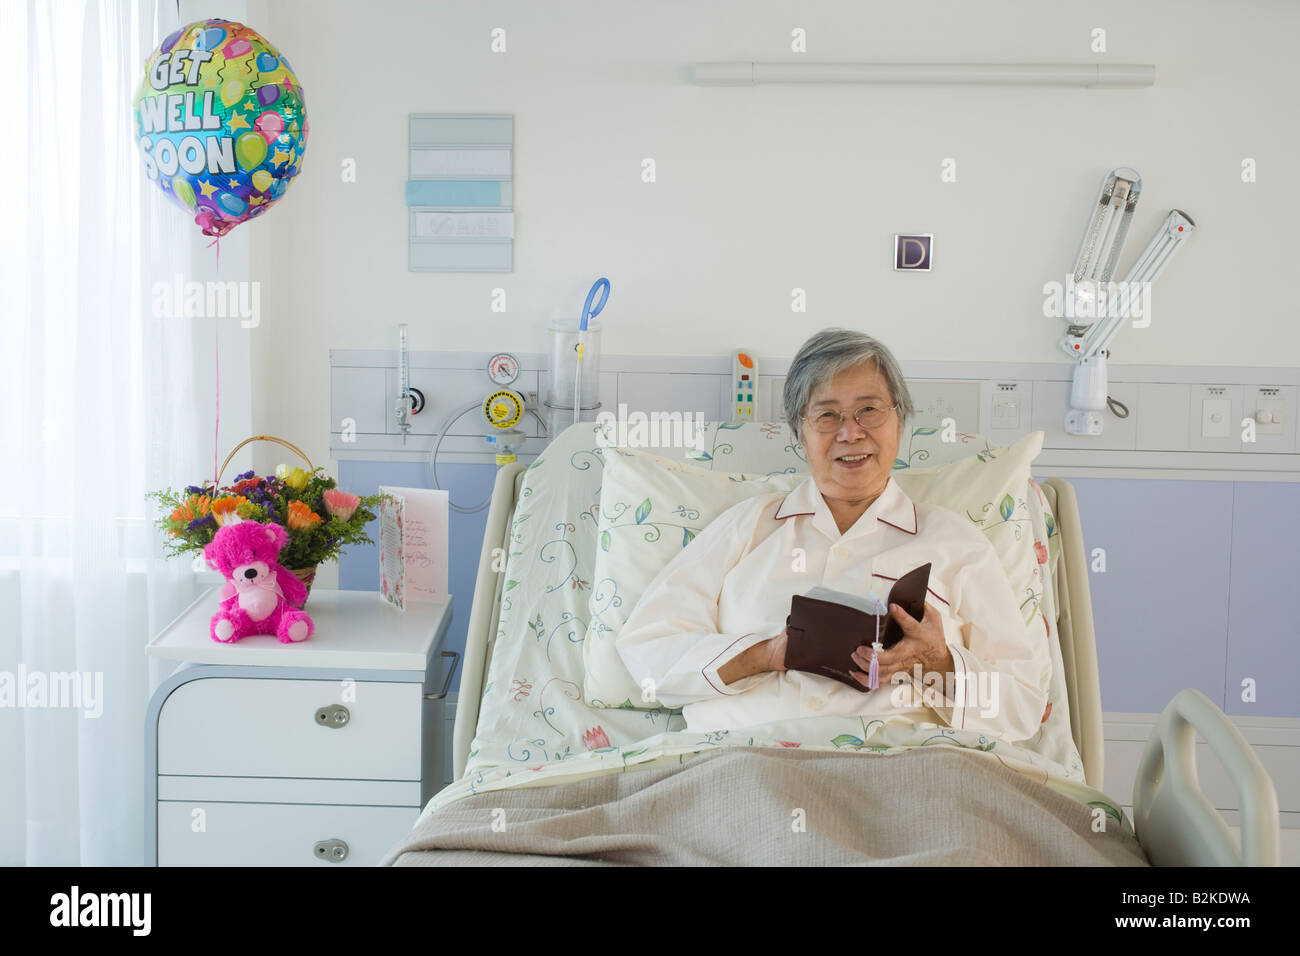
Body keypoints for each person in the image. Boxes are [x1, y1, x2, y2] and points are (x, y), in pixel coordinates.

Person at [615, 328, 1050, 743]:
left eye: (869, 410)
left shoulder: (957, 543)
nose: (850, 431)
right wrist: (767, 655)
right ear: (799, 434)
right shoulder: (747, 527)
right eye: (827, 415)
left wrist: (936, 662)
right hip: (744, 759)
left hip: (905, 766)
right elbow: (649, 653)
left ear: (900, 422)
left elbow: (1022, 708)